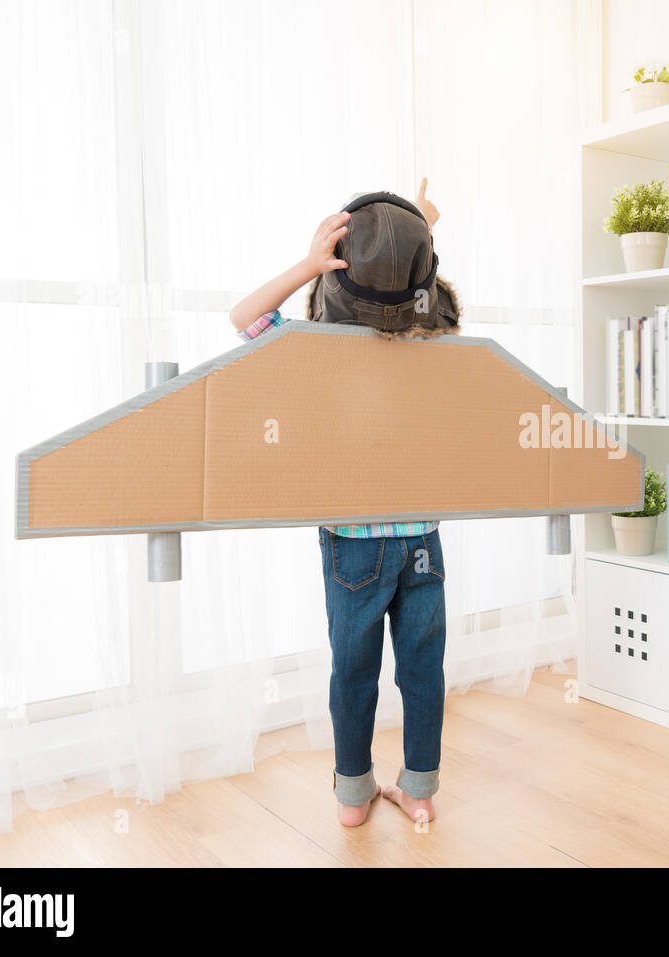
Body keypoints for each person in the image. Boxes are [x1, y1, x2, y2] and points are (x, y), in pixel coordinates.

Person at [229, 180, 459, 828]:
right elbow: (426, 293)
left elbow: (244, 315)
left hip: (353, 539)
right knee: (422, 670)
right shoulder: (435, 342)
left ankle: (353, 797)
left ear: (336, 280)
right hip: (422, 540)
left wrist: (308, 262)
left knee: (353, 671)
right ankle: (419, 790)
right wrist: (423, 240)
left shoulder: (312, 347)